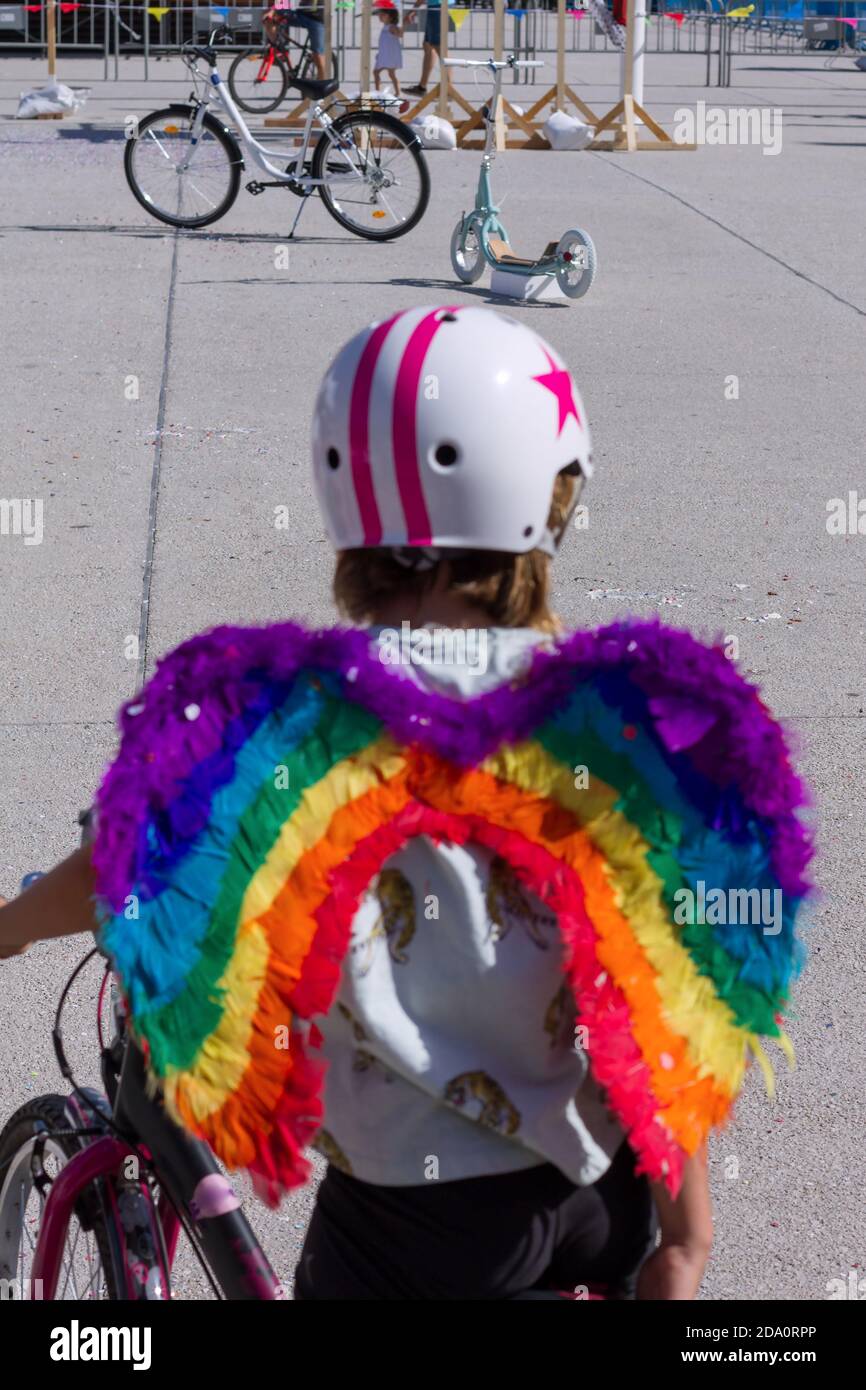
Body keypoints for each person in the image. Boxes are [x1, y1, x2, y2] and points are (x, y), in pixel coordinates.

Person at [0, 306, 714, 1301]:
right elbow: (667, 987)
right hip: (610, 1189)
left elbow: (120, 870)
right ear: (550, 498)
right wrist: (683, 1233)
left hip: (420, 1226)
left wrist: (8, 929)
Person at [262, 1, 328, 81]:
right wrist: (273, 10)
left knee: (318, 56)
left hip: (317, 19)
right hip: (301, 14)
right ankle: (279, 51)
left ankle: (322, 86)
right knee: (268, 17)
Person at [404, 0, 441, 97]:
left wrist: (413, 9)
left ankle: (449, 89)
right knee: (428, 45)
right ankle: (422, 87)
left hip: (439, 6)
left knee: (439, 47)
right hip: (436, 6)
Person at [373, 4, 404, 95]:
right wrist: (380, 53)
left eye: (383, 15)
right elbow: (384, 43)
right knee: (376, 72)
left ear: (391, 17)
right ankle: (377, 91)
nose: (380, 16)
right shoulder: (385, 27)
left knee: (391, 74)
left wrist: (403, 25)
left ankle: (397, 92)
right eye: (380, 14)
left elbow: (399, 34)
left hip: (390, 56)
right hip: (384, 55)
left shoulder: (392, 27)